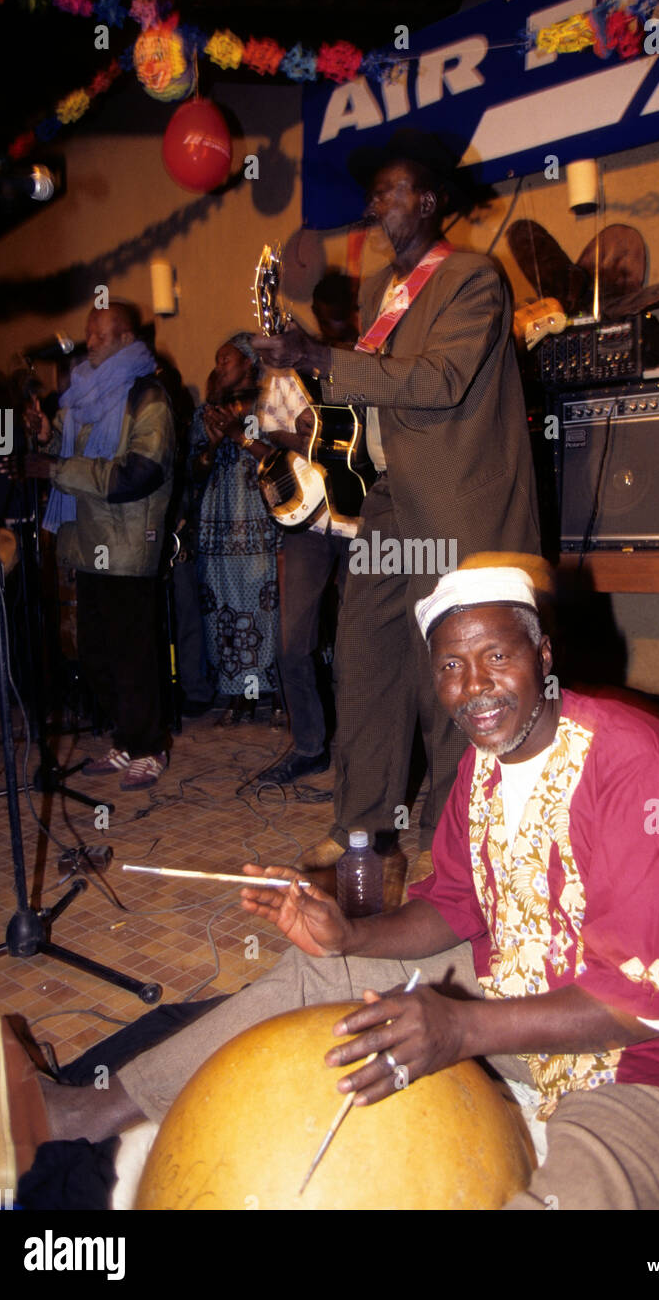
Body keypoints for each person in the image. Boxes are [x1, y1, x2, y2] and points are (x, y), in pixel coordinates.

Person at [0, 565, 659, 1210]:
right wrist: (354, 938)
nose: (477, 687)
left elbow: (658, 1006)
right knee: (327, 973)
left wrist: (461, 1032)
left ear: (544, 655)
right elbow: (455, 907)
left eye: (499, 656)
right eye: (452, 668)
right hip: (521, 1000)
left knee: (593, 1180)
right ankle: (85, 1111)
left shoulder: (638, 766)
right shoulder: (481, 768)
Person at [254, 133, 541, 879]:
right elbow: (379, 393)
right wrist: (305, 380)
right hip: (386, 498)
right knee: (365, 653)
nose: (378, 204)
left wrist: (321, 356)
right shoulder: (387, 287)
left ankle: (451, 852)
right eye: (375, 193)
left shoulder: (474, 277)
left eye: (393, 190)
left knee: (449, 668)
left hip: (456, 503)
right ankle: (363, 826)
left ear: (434, 200)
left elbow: (439, 380)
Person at [25, 302, 174, 790]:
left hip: (129, 541)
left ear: (127, 337)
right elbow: (72, 463)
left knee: (132, 654)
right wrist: (44, 449)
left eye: (100, 335)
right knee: (94, 653)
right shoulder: (83, 398)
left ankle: (150, 747)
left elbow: (141, 471)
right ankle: (126, 739)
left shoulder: (147, 394)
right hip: (89, 542)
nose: (89, 342)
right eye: (88, 333)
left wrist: (57, 469)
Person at [255, 273, 362, 785]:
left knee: (361, 645)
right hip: (307, 519)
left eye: (342, 313)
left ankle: (369, 752)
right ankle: (310, 746)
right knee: (292, 643)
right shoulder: (287, 368)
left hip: (363, 520)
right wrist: (297, 437)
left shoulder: (371, 358)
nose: (332, 321)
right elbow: (267, 423)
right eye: (324, 312)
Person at [188, 335, 281, 725]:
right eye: (216, 360)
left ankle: (275, 691)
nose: (219, 365)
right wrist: (209, 449)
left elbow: (281, 459)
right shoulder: (205, 412)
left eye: (226, 359)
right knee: (222, 607)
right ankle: (238, 692)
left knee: (266, 607)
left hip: (259, 520)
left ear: (248, 362)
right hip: (217, 524)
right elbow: (191, 472)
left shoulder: (268, 404)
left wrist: (236, 436)